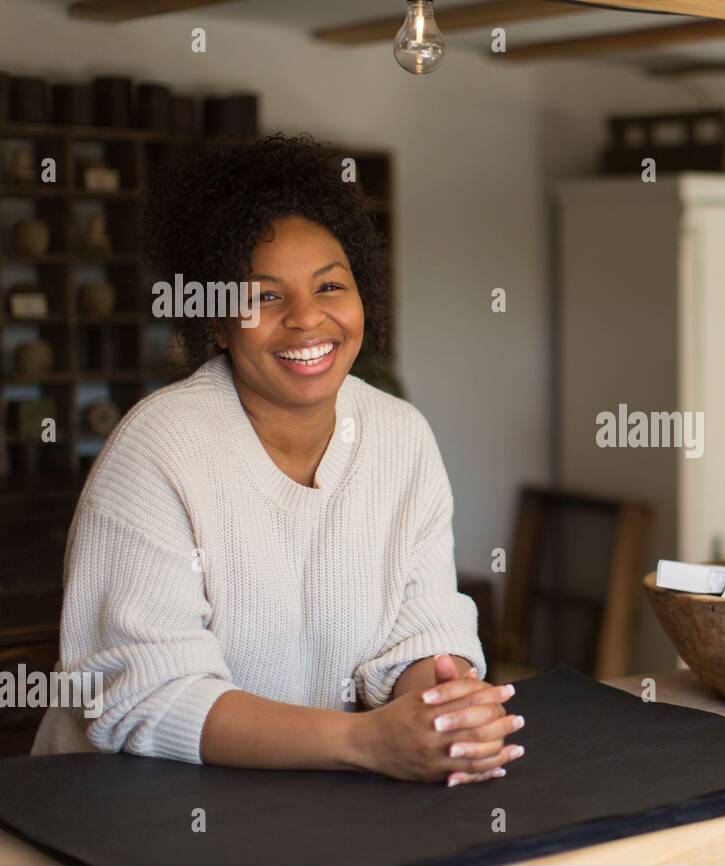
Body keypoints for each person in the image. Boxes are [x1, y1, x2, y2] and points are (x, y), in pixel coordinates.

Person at [32, 134, 523, 787]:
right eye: (264, 296)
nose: (306, 319)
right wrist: (364, 742)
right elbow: (148, 697)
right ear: (214, 321)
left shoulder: (400, 437)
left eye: (329, 286)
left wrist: (446, 704)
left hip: (303, 804)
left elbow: (420, 629)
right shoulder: (157, 451)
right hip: (128, 812)